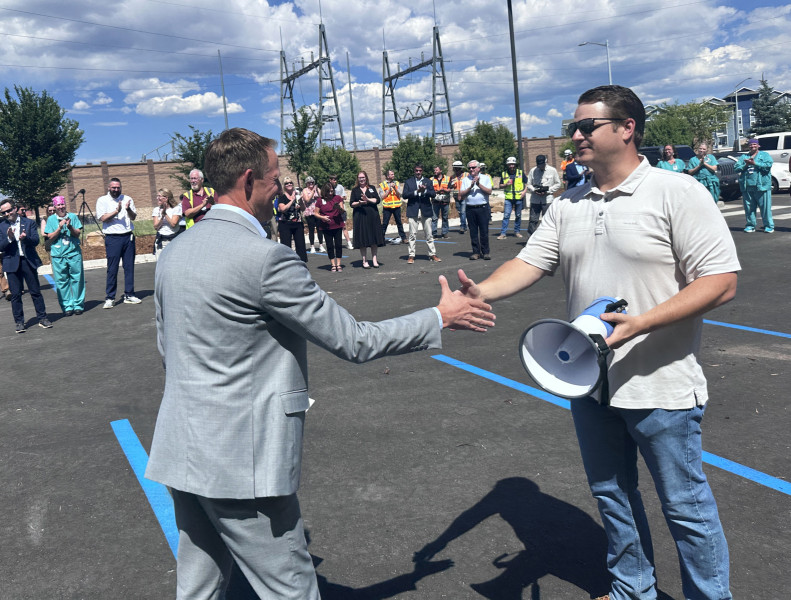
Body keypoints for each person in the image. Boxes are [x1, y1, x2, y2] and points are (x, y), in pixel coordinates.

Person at [144, 127, 495, 600]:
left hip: (181, 448)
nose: (280, 188)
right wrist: (440, 316)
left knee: (200, 585)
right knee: (292, 589)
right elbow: (354, 340)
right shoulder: (267, 259)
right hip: (241, 459)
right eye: (275, 177)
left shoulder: (175, 252)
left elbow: (169, 348)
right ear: (249, 180)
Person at [458, 85, 737, 600]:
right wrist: (482, 290)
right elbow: (531, 261)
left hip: (661, 385)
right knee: (613, 496)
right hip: (588, 382)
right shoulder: (570, 203)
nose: (576, 135)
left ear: (626, 128)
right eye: (574, 127)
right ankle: (634, 589)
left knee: (686, 507)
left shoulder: (676, 193)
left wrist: (644, 323)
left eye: (588, 126)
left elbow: (719, 280)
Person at [0, 199, 52, 333]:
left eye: (9, 210)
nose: (7, 214)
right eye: (3, 212)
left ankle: (43, 318)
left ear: (15, 208)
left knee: (35, 292)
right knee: (16, 295)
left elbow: (35, 240)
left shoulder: (28, 223)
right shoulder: (1, 226)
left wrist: (25, 238)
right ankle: (19, 322)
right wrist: (9, 238)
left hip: (27, 261)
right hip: (11, 263)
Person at [96, 178, 141, 308]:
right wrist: (116, 211)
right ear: (108, 188)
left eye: (118, 187)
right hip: (112, 238)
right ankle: (110, 297)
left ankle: (129, 294)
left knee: (129, 267)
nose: (116, 190)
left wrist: (127, 209)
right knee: (112, 268)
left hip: (128, 237)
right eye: (113, 187)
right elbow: (102, 218)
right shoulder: (102, 200)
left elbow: (133, 217)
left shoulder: (127, 198)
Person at [44, 196, 85, 316]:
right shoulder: (51, 219)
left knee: (77, 279)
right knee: (61, 281)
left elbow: (77, 234)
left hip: (73, 253)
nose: (61, 207)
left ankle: (78, 305)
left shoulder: (72, 216)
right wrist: (60, 227)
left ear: (65, 205)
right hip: (58, 255)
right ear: (54, 207)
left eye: (62, 204)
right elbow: (50, 237)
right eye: (58, 205)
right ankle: (67, 306)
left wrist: (70, 227)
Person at [402, 163, 441, 264]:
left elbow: (433, 194)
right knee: (412, 234)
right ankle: (411, 255)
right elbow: (405, 195)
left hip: (426, 209)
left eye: (420, 170)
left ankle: (432, 254)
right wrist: (416, 191)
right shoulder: (408, 182)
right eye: (416, 170)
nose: (418, 172)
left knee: (429, 234)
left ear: (422, 171)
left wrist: (424, 191)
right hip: (413, 210)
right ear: (414, 171)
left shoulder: (428, 181)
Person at [735, 139, 774, 233]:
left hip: (762, 186)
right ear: (748, 146)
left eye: (754, 144)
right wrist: (746, 165)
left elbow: (768, 165)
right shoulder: (744, 156)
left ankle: (768, 226)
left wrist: (755, 163)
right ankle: (750, 225)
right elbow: (736, 168)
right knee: (749, 208)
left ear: (758, 146)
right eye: (750, 145)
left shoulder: (764, 155)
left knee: (765, 208)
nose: (752, 146)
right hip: (747, 186)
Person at [350, 171, 385, 269]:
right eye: (360, 177)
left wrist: (367, 200)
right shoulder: (355, 190)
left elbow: (377, 200)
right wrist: (360, 203)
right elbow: (351, 204)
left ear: (366, 178)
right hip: (360, 217)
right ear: (358, 179)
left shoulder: (372, 188)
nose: (361, 179)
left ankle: (374, 260)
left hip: (372, 217)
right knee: (363, 239)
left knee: (374, 238)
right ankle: (364, 261)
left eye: (363, 177)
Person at [460, 160, 492, 260]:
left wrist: (478, 184)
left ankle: (485, 251)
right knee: (473, 231)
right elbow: (461, 194)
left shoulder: (485, 178)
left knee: (484, 231)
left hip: (482, 207)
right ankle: (476, 252)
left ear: (478, 168)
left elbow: (489, 191)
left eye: (473, 167)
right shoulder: (465, 180)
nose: (471, 169)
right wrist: (470, 186)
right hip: (470, 208)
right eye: (469, 168)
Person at [526, 155, 561, 236]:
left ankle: (548, 238)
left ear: (545, 162)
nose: (540, 166)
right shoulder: (533, 171)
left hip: (547, 199)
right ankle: (530, 239)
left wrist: (548, 190)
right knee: (533, 220)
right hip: (535, 199)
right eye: (539, 165)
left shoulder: (552, 170)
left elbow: (558, 184)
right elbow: (529, 184)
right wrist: (534, 190)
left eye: (542, 165)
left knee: (548, 220)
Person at [276, 177, 308, 262]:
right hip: (285, 223)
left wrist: (300, 200)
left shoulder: (297, 195)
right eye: (287, 183)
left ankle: (302, 263)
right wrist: (292, 201)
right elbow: (282, 209)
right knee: (286, 246)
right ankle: (287, 264)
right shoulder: (282, 197)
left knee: (301, 245)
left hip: (297, 222)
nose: (289, 184)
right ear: (284, 186)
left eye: (290, 183)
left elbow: (303, 208)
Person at [316, 182, 345, 272]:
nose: (330, 193)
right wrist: (322, 217)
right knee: (329, 245)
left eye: (332, 191)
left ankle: (339, 263)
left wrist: (338, 208)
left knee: (338, 244)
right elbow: (315, 213)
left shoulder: (337, 198)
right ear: (325, 191)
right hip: (326, 226)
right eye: (328, 191)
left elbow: (342, 211)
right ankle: (333, 264)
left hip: (337, 224)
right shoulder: (320, 200)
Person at [497, 156, 527, 239]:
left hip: (518, 198)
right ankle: (503, 233)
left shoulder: (520, 173)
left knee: (518, 215)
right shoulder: (504, 174)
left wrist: (524, 192)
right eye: (510, 164)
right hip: (508, 198)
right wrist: (506, 184)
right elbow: (500, 185)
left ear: (515, 164)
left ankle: (517, 232)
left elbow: (527, 183)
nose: (511, 166)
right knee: (506, 215)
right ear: (507, 165)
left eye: (512, 164)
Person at [379, 169, 406, 244]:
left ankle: (403, 237)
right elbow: (382, 196)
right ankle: (381, 239)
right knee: (385, 223)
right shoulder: (383, 185)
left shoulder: (396, 183)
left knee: (399, 222)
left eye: (393, 174)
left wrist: (394, 188)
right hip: (387, 208)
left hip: (396, 206)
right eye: (392, 174)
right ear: (388, 176)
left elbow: (399, 194)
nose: (393, 175)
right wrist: (388, 190)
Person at [152, 188, 183, 255]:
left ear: (166, 198)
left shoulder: (176, 209)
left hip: (173, 240)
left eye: (159, 196)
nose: (157, 198)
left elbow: (173, 224)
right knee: (160, 263)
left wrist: (165, 214)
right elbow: (156, 227)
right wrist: (162, 217)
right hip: (161, 240)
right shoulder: (156, 210)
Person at [301, 176, 325, 254]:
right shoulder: (305, 190)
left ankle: (321, 245)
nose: (311, 184)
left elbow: (322, 197)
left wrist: (317, 191)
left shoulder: (317, 190)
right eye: (309, 182)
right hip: (309, 212)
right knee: (311, 229)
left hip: (317, 212)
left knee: (320, 229)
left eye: (312, 182)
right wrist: (312, 191)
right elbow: (307, 200)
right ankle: (312, 246)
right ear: (306, 184)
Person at [329, 174, 353, 250]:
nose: (335, 181)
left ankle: (349, 243)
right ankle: (334, 244)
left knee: (344, 226)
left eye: (336, 179)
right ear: (330, 180)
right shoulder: (328, 187)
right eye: (333, 179)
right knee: (333, 227)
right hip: (332, 210)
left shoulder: (340, 187)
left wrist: (339, 198)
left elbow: (345, 197)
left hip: (341, 209)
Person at [431, 165, 451, 239]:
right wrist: (437, 191)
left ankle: (444, 233)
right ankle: (434, 233)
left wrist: (444, 190)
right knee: (434, 218)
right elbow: (430, 190)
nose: (435, 171)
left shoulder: (448, 178)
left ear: (441, 170)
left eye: (436, 170)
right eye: (434, 170)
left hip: (445, 201)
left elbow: (449, 189)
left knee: (445, 217)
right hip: (435, 201)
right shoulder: (431, 179)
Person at [449, 160, 467, 234]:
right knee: (460, 212)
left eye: (457, 168)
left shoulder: (466, 175)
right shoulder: (452, 177)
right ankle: (464, 225)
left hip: (464, 196)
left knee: (463, 212)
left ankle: (462, 226)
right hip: (456, 197)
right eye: (455, 168)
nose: (456, 170)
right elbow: (450, 187)